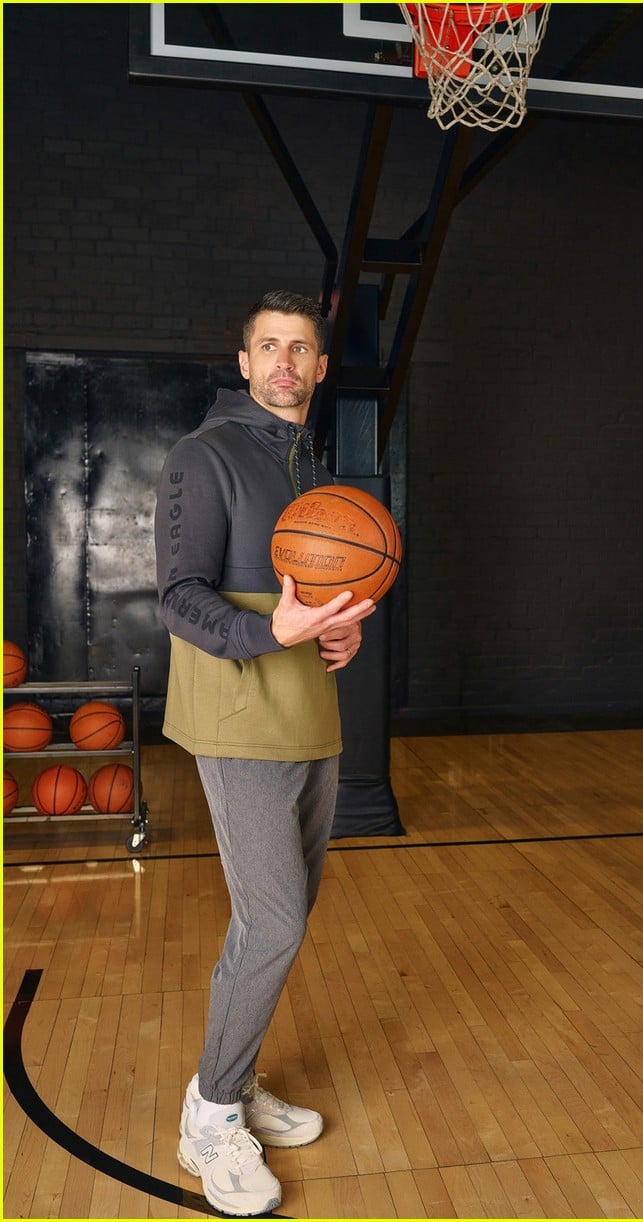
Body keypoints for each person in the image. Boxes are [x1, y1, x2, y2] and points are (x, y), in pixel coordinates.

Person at [154, 289, 376, 1216]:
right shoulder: (203, 457)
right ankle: (208, 1116)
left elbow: (311, 599)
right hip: (238, 717)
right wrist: (272, 629)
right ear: (243, 363)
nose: (284, 362)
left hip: (307, 710)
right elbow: (178, 595)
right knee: (274, 924)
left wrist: (333, 635)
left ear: (320, 368)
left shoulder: (308, 467)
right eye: (267, 347)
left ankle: (234, 1081)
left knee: (276, 921)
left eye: (301, 348)